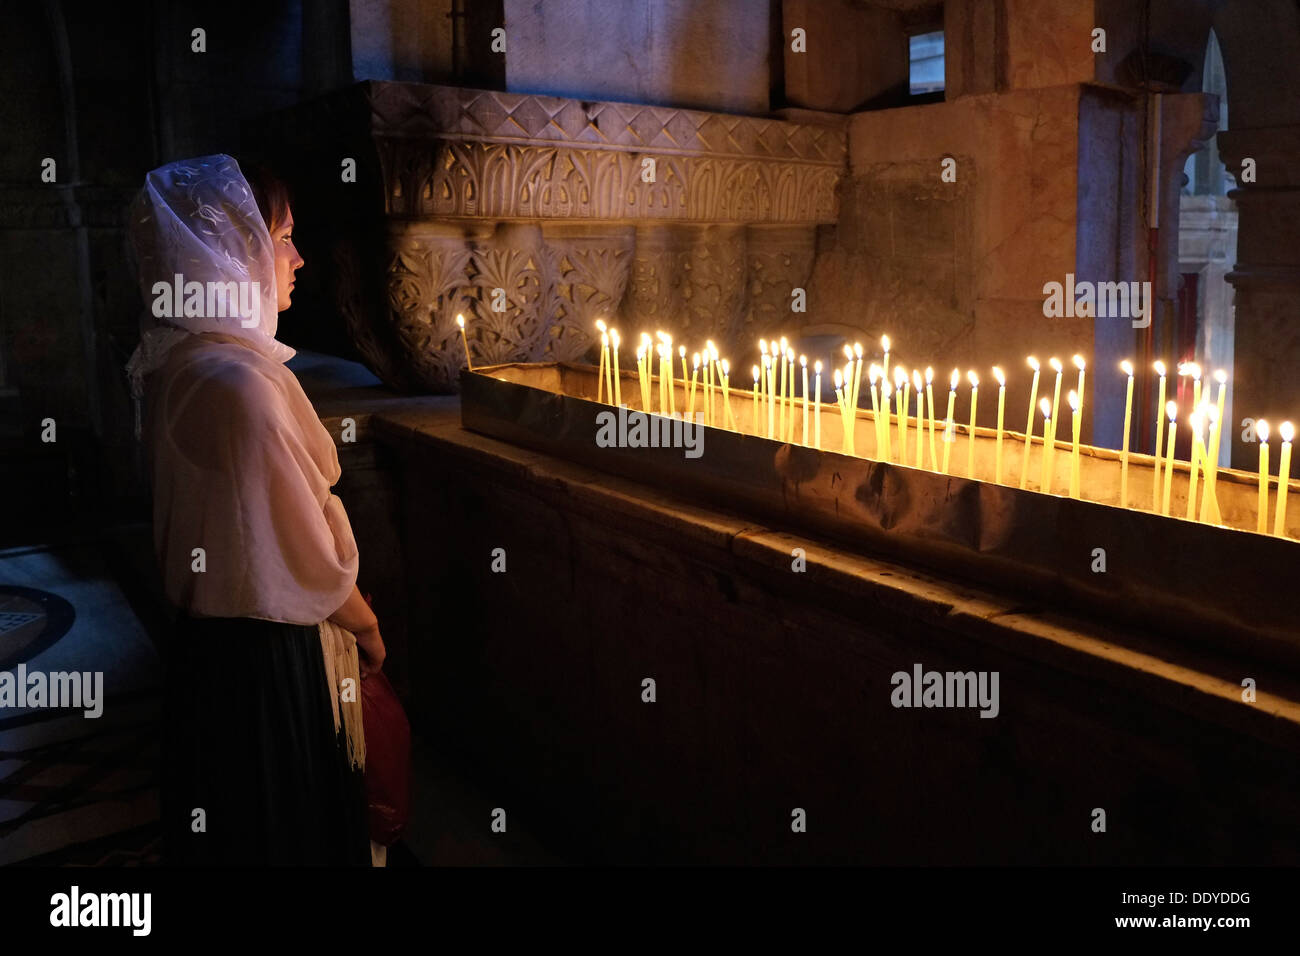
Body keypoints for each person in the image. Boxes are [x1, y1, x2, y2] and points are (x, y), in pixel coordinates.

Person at [125, 154, 382, 865]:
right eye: (283, 236)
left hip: (209, 659)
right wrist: (367, 624)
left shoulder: (183, 361)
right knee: (284, 818)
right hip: (270, 658)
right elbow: (307, 557)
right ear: (227, 248)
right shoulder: (242, 385)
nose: (298, 258)